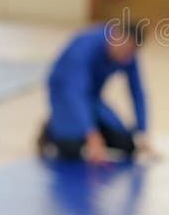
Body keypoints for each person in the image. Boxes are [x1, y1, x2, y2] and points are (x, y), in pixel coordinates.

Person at [38, 20, 155, 164]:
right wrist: (91, 133)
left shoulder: (128, 55)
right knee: (71, 148)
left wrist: (142, 132)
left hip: (92, 98)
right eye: (126, 50)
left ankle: (88, 128)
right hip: (64, 93)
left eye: (131, 52)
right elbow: (75, 93)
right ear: (116, 36)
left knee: (128, 144)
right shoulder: (84, 47)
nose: (126, 57)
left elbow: (137, 91)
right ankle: (51, 129)